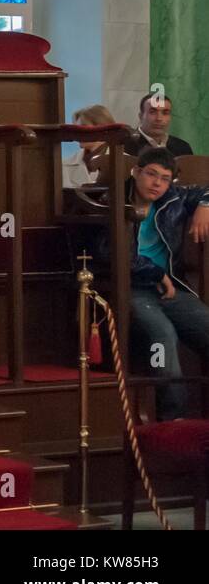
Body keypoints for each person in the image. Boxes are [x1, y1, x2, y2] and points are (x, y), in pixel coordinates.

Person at [117, 147, 209, 420]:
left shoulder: (173, 199)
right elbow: (111, 252)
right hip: (132, 289)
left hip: (171, 289)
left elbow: (203, 190)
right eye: (151, 174)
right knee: (162, 338)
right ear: (136, 172)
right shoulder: (114, 200)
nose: (157, 183)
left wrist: (205, 206)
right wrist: (155, 273)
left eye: (165, 178)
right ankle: (173, 418)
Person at [62, 104, 119, 189]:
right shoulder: (64, 165)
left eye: (83, 128)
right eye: (76, 129)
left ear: (102, 128)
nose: (78, 133)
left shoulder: (123, 162)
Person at [124, 92, 193, 157]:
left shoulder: (182, 148)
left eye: (165, 113)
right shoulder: (125, 146)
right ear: (141, 116)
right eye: (152, 112)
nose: (159, 118)